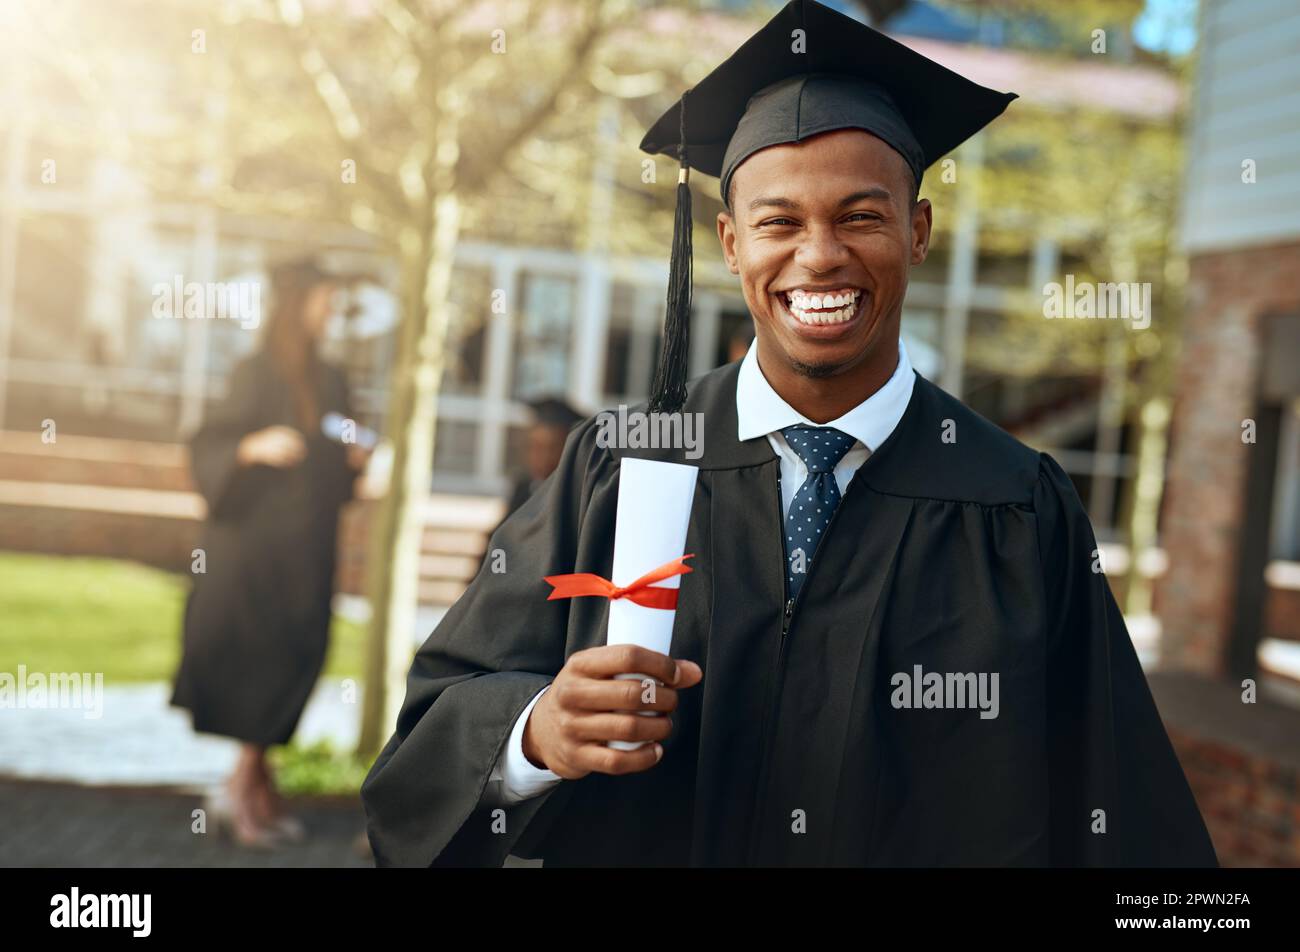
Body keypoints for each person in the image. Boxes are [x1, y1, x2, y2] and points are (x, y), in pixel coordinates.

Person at [361, 0, 1217, 866]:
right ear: (731, 244)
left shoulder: (1019, 507)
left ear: (916, 232)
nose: (818, 256)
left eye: (860, 216)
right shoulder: (622, 462)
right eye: (779, 222)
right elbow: (432, 734)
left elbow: (1122, 809)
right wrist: (536, 731)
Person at [172, 258, 369, 848]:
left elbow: (335, 459)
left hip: (305, 552)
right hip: (251, 552)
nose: (331, 312)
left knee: (295, 654)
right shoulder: (254, 372)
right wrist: (249, 447)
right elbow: (207, 442)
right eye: (324, 300)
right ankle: (242, 792)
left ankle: (254, 787)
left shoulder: (330, 378)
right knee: (257, 660)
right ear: (297, 304)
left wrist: (354, 461)